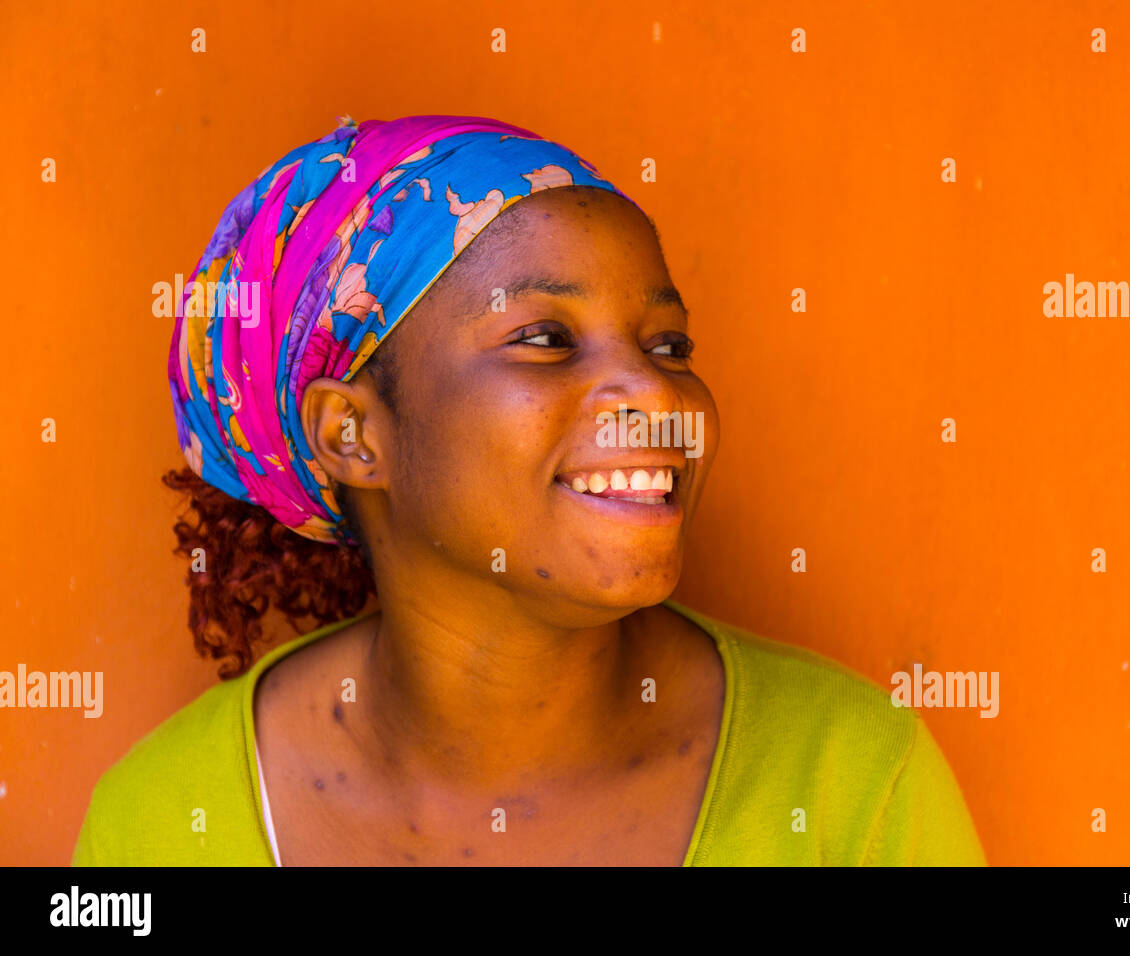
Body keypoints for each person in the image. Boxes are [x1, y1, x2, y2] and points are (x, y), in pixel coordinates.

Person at [71, 114, 986, 866]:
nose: (656, 393)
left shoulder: (849, 783)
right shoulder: (164, 823)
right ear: (351, 435)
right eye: (546, 339)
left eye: (668, 346)